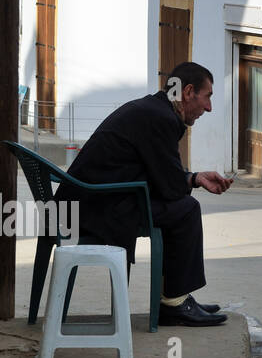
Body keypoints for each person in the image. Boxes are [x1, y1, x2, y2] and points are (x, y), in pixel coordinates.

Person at [56, 61, 232, 326]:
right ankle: (174, 302)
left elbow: (162, 176)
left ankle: (175, 298)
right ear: (188, 92)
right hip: (97, 208)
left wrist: (194, 178)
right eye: (207, 97)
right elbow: (170, 188)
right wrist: (192, 180)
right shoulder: (160, 117)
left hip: (94, 201)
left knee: (181, 207)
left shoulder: (153, 109)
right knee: (186, 209)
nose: (209, 107)